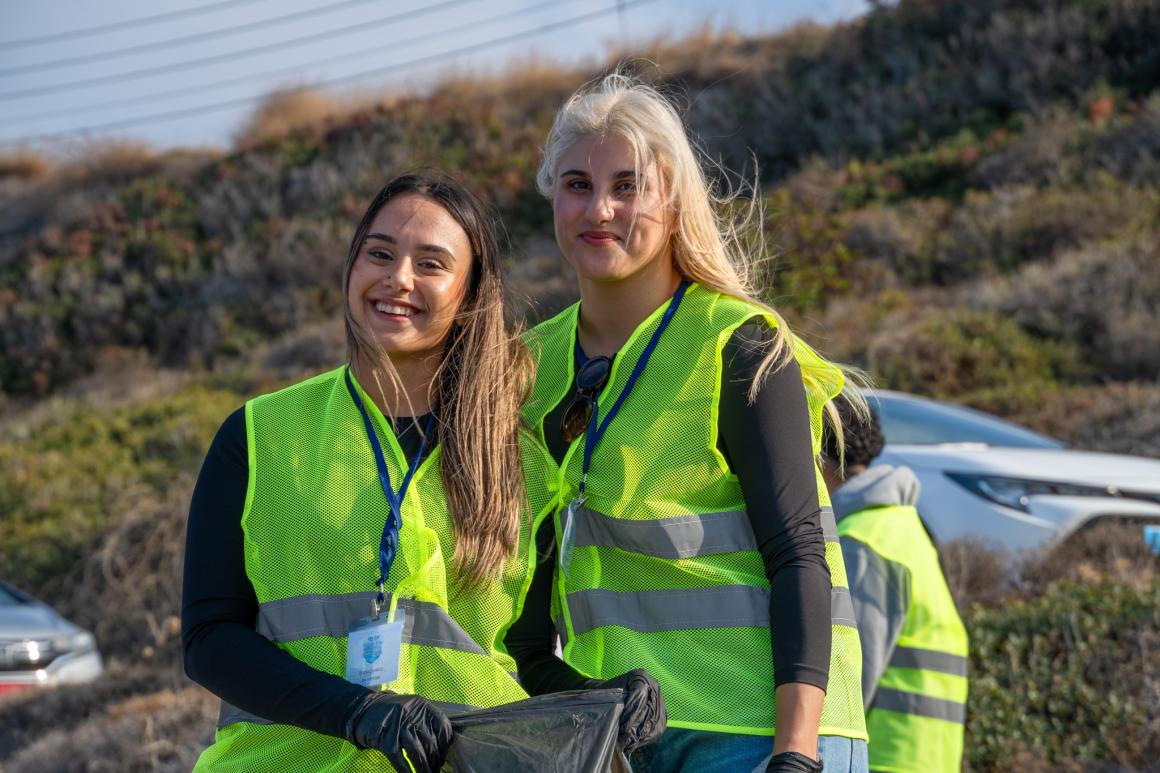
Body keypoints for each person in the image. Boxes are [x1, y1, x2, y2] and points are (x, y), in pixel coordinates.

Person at [504, 73, 869, 773]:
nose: (599, 208)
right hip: (621, 736)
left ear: (672, 202)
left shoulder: (737, 341)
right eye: (577, 184)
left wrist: (795, 752)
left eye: (628, 185)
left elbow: (798, 554)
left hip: (763, 729)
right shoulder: (530, 365)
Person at [181, 172, 562, 773]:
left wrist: (602, 690)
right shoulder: (258, 436)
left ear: (469, 294)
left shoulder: (521, 462)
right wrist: (355, 711)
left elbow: (526, 655)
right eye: (379, 253)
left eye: (431, 264)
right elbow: (209, 640)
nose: (398, 278)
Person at [824, 399, 969, 773]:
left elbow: (852, 680)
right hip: (919, 756)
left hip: (885, 758)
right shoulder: (899, 524)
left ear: (819, 460)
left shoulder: (862, 541)